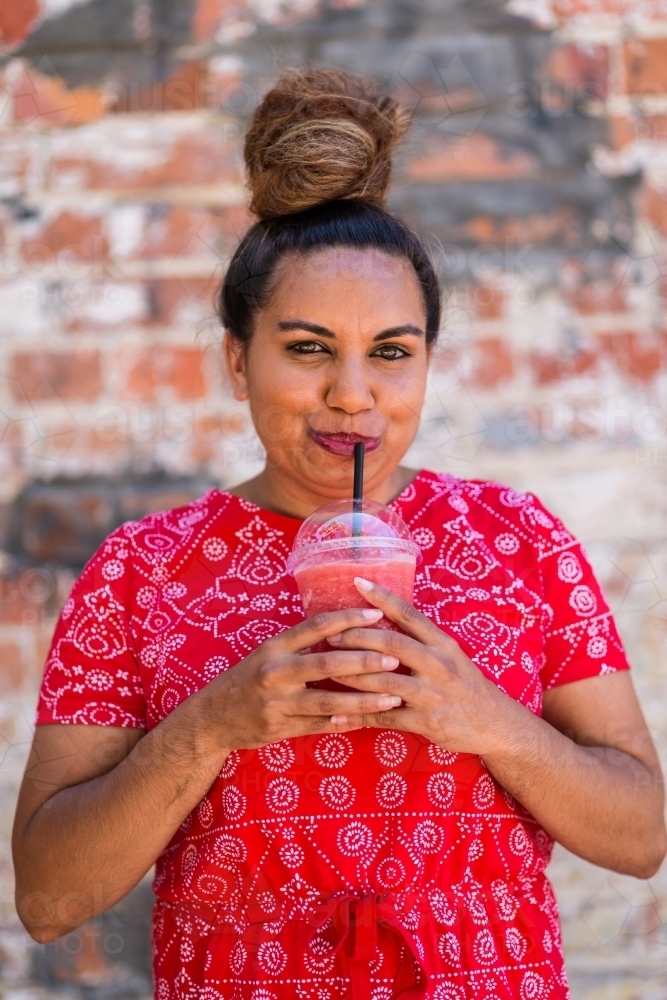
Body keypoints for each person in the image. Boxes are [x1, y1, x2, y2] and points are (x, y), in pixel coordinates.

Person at [13, 69, 666, 1000]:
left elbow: (641, 837)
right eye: (308, 347)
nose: (352, 394)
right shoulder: (141, 569)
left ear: (428, 365)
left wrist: (489, 722)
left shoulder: (518, 540)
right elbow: (47, 896)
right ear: (239, 360)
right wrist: (210, 726)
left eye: (391, 353)